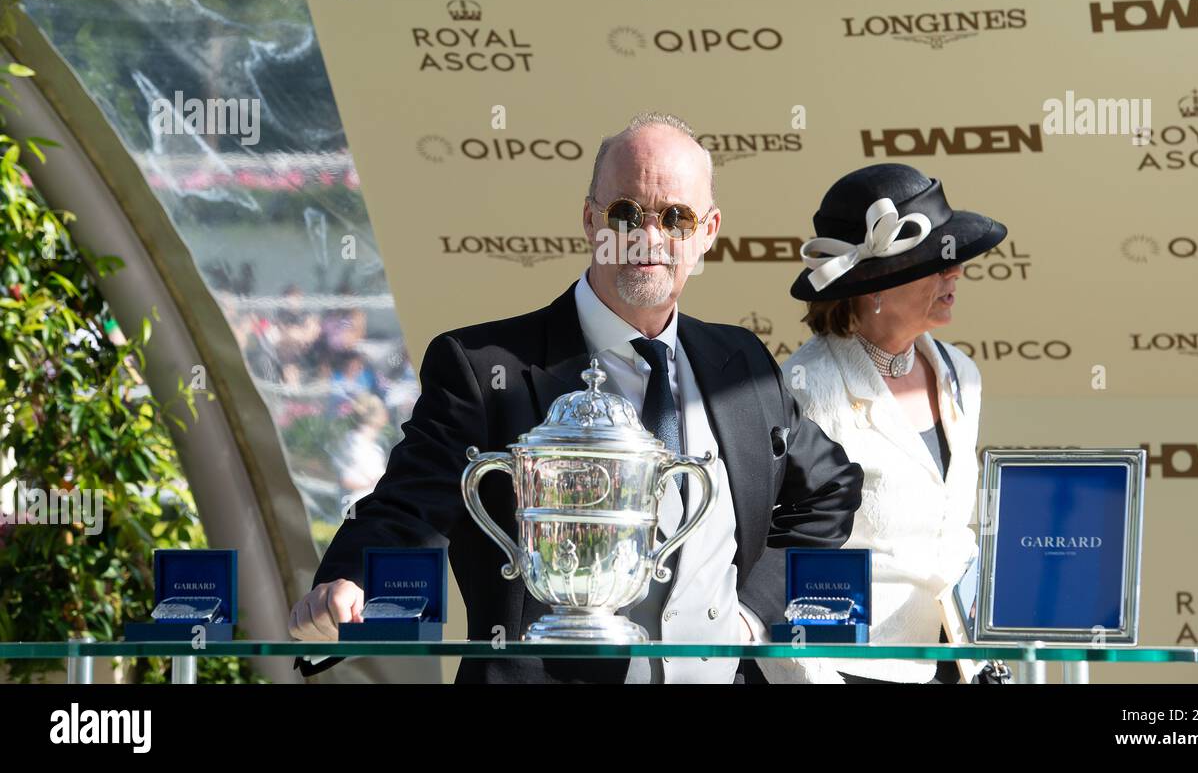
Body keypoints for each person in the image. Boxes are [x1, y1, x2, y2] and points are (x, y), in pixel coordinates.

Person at [288, 111, 863, 683]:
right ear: (591, 220)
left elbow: (829, 489)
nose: (650, 237)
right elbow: (409, 507)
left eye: (676, 217)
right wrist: (347, 586)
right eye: (626, 213)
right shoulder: (486, 368)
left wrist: (752, 615)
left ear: (708, 232)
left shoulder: (742, 365)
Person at [780, 163, 1007, 683]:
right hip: (854, 671)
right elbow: (779, 566)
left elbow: (955, 540)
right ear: (873, 286)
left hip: (957, 666)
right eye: (935, 262)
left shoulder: (960, 374)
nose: (956, 272)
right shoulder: (803, 388)